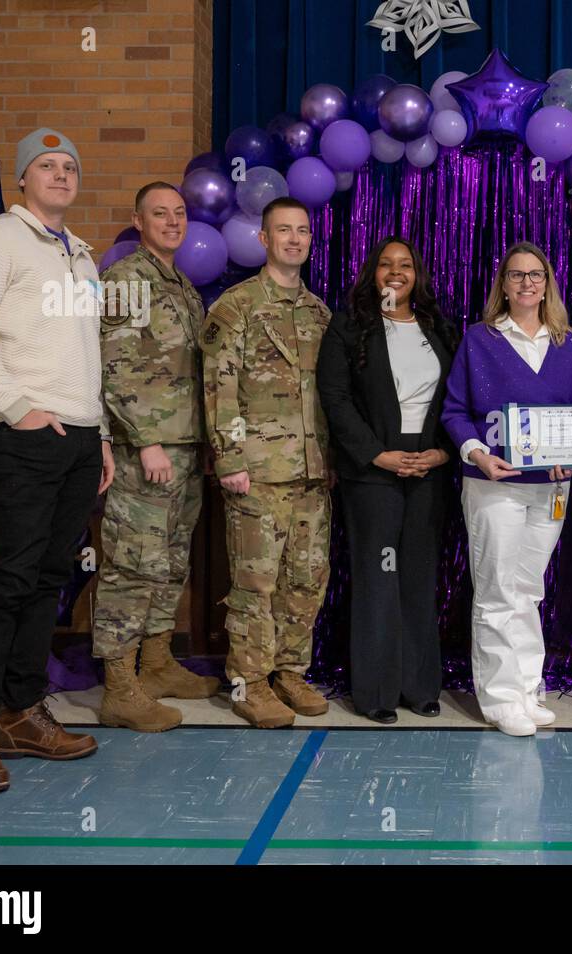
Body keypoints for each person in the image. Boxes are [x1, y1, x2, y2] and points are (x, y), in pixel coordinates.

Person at [0, 127, 110, 794]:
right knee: (9, 576)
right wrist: (17, 405)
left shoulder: (82, 256)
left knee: (46, 578)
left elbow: (86, 356)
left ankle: (19, 710)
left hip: (77, 434)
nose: (62, 175)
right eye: (47, 165)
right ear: (22, 178)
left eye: (70, 166)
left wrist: (99, 437)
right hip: (23, 433)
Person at [441, 242, 572, 737]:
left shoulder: (569, 344)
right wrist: (476, 454)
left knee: (529, 589)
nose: (527, 284)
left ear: (547, 283)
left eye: (535, 275)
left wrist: (569, 462)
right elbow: (454, 411)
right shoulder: (479, 339)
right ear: (502, 284)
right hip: (494, 485)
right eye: (516, 275)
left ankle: (528, 687)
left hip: (550, 489)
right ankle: (501, 698)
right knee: (498, 590)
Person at [200, 196, 334, 729]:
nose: (295, 239)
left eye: (302, 230)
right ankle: (248, 682)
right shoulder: (236, 306)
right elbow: (219, 386)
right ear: (263, 239)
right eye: (284, 230)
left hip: (312, 470)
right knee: (255, 583)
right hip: (256, 470)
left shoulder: (320, 313)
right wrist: (229, 456)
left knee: (306, 578)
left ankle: (289, 672)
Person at [93, 182, 220, 733]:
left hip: (185, 448)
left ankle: (158, 663)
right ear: (137, 221)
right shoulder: (126, 281)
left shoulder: (184, 289)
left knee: (169, 562)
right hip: (145, 449)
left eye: (179, 213)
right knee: (132, 565)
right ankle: (120, 688)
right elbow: (113, 366)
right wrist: (144, 440)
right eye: (159, 214)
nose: (172, 221)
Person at [319, 237, 457, 724]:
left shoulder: (438, 327)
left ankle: (420, 687)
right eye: (385, 264)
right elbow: (334, 398)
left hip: (428, 468)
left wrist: (442, 452)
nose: (395, 272)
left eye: (405, 265)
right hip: (373, 470)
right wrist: (378, 455)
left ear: (416, 274)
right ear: (372, 273)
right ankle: (376, 692)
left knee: (418, 577)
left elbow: (454, 401)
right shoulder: (349, 325)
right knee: (380, 576)